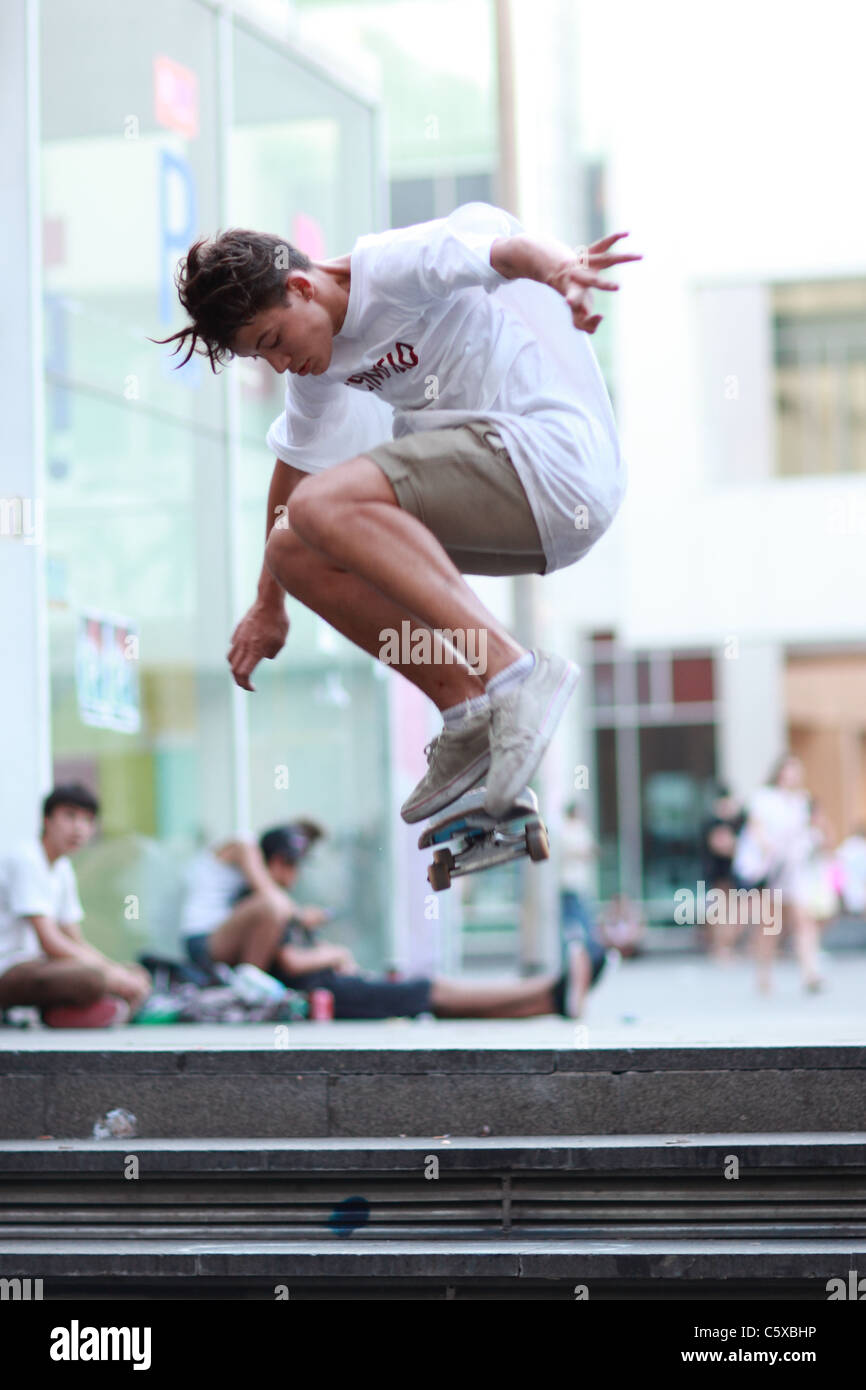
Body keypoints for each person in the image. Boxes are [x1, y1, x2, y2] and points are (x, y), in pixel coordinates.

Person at [156, 204, 640, 827]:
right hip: (529, 516)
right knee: (293, 548)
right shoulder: (319, 373)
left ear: (301, 287)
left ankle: (515, 674)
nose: (281, 365)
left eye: (274, 341)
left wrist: (561, 268)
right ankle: (467, 712)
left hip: (551, 459)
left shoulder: (390, 267)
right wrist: (268, 604)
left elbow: (504, 251)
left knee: (325, 505)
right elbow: (293, 470)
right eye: (262, 358)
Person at [185, 821, 606, 1021]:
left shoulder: (264, 906)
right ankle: (548, 991)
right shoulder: (259, 902)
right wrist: (334, 952)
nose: (293, 876)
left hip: (336, 986)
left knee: (431, 994)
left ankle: (550, 996)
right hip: (327, 993)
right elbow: (291, 964)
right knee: (431, 993)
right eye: (287, 866)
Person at [0, 784, 151, 1027]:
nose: (79, 828)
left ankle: (66, 1013)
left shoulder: (62, 869)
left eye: (87, 820)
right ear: (46, 820)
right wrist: (109, 974)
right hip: (10, 969)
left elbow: (74, 940)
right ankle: (77, 1011)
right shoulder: (26, 859)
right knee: (90, 978)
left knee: (134, 971)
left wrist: (115, 969)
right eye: (70, 816)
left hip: (42, 965)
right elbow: (50, 942)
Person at [731, 753, 823, 993]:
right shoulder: (764, 798)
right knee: (770, 925)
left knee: (804, 919)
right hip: (769, 867)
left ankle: (810, 971)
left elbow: (807, 832)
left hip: (793, 867)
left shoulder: (801, 800)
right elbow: (756, 826)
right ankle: (763, 973)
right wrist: (767, 848)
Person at [698, 783, 746, 960]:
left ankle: (727, 945)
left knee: (736, 914)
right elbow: (719, 845)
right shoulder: (712, 823)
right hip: (718, 874)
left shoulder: (738, 820)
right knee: (719, 912)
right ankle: (720, 947)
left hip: (735, 875)